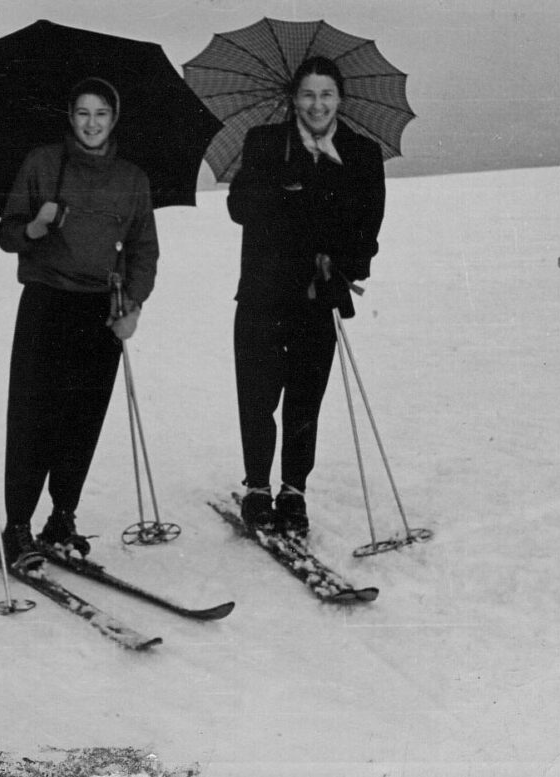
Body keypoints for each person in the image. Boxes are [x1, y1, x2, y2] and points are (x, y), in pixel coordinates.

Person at [0, 77, 159, 569]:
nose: (91, 123)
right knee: (33, 417)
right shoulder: (43, 163)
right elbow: (7, 233)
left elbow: (144, 250)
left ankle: (62, 516)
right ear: (70, 116)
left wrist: (133, 305)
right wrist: (35, 226)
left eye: (101, 114)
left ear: (114, 118)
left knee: (82, 419)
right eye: (83, 113)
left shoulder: (132, 178)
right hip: (47, 301)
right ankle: (18, 525)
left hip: (101, 309)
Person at [227, 55, 386, 536]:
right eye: (308, 94)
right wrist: (285, 184)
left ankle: (293, 490)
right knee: (258, 394)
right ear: (293, 99)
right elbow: (238, 206)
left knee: (304, 399)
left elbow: (369, 228)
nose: (318, 105)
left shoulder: (361, 153)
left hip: (320, 296)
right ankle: (258, 487)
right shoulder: (265, 142)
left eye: (326, 94)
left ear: (340, 99)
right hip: (264, 291)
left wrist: (345, 269)